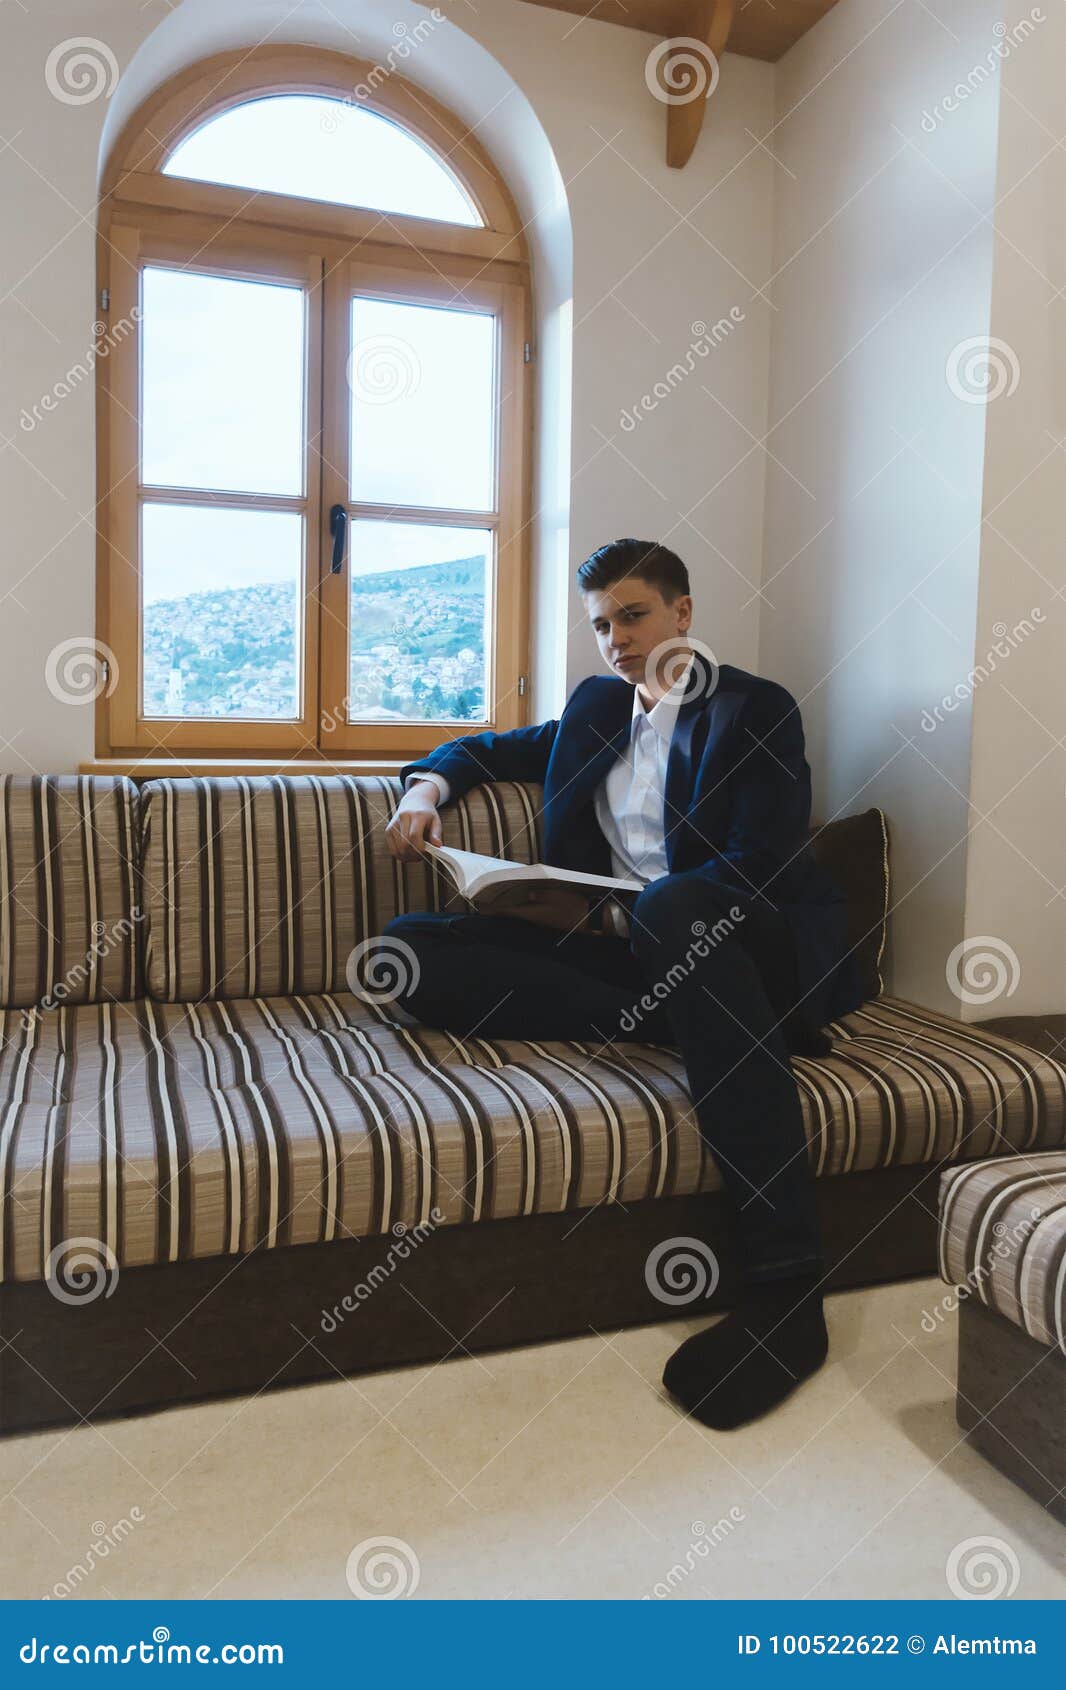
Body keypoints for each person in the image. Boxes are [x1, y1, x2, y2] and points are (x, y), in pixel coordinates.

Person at [380, 538, 866, 1430]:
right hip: (632, 956)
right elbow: (483, 749)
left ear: (682, 614)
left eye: (633, 616)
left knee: (677, 903)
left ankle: (788, 1289)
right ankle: (715, 1029)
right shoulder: (599, 708)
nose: (617, 639)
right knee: (411, 950)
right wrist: (425, 793)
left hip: (730, 938)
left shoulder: (753, 709)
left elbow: (758, 866)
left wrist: (620, 915)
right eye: (602, 624)